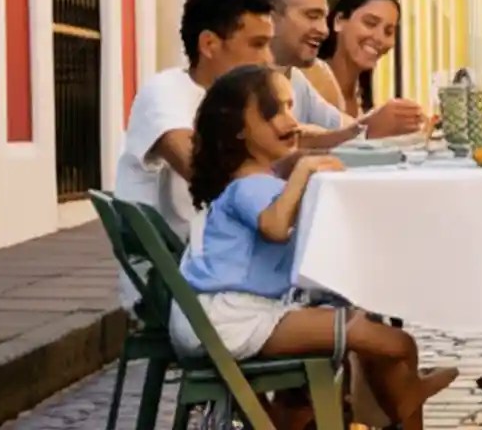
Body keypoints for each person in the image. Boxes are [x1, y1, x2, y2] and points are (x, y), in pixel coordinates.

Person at [169, 65, 458, 430]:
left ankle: (394, 404)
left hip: (219, 318)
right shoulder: (250, 185)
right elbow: (275, 227)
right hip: (232, 320)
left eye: (291, 106)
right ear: (239, 130)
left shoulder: (249, 182)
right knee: (396, 344)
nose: (290, 119)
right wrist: (304, 170)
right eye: (274, 111)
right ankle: (403, 403)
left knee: (367, 334)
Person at [113, 0, 275, 309]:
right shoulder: (166, 92)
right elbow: (203, 171)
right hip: (178, 280)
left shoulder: (231, 102)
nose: (268, 59)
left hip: (214, 259)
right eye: (257, 44)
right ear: (209, 44)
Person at [253, 0, 423, 144]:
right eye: (312, 16)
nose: (323, 30)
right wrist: (369, 128)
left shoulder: (296, 80)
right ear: (270, 18)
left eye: (389, 31)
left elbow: (342, 130)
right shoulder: (245, 82)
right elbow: (277, 147)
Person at [317, 0, 400, 118]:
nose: (380, 38)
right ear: (339, 21)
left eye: (388, 31)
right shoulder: (309, 83)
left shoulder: (360, 95)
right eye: (370, 23)